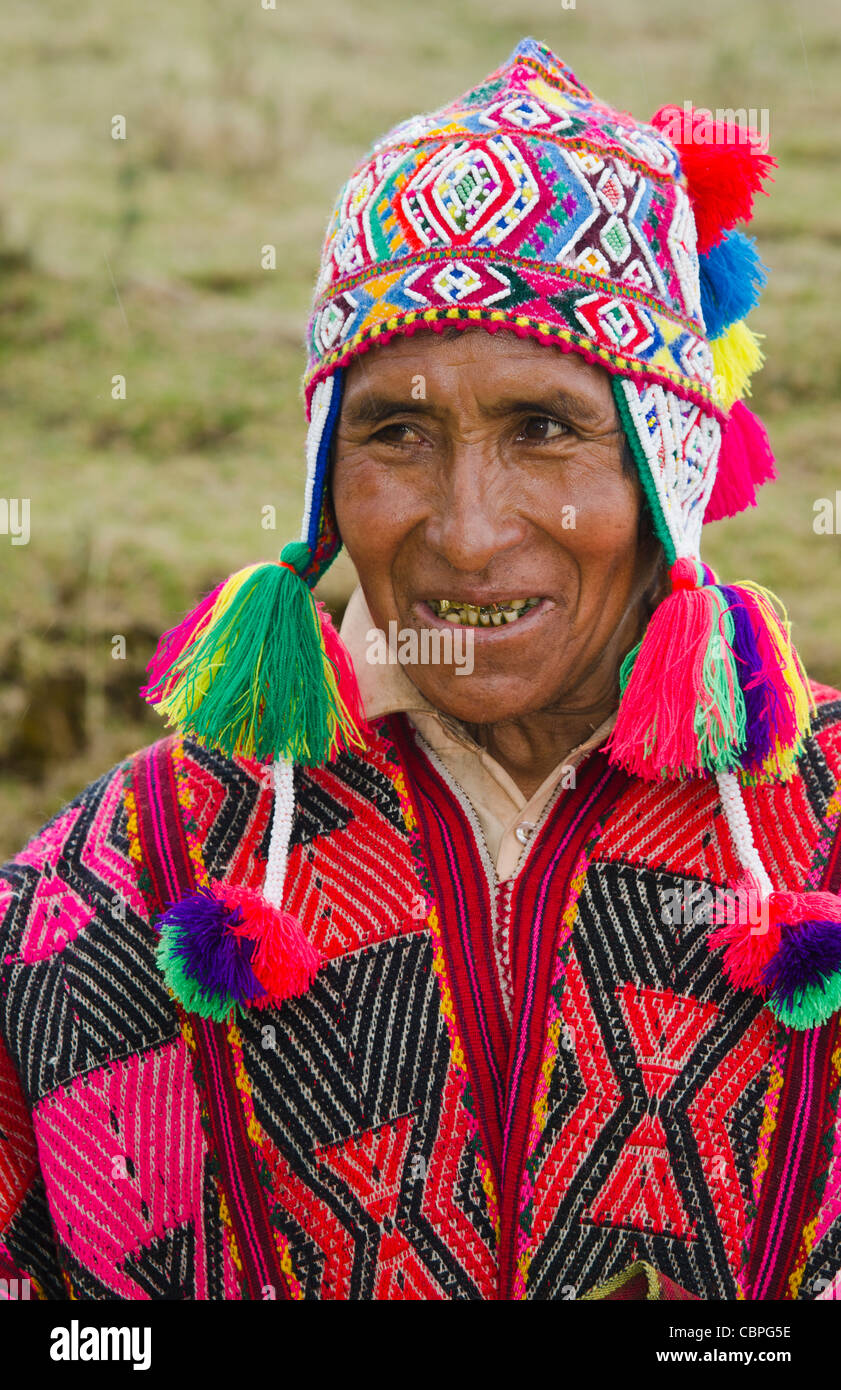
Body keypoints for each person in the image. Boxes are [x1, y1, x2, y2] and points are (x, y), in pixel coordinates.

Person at [1, 37, 840, 1303]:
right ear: (325, 480)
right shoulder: (134, 868)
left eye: (544, 429)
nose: (464, 529)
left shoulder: (816, 833)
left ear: (664, 475)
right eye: (395, 429)